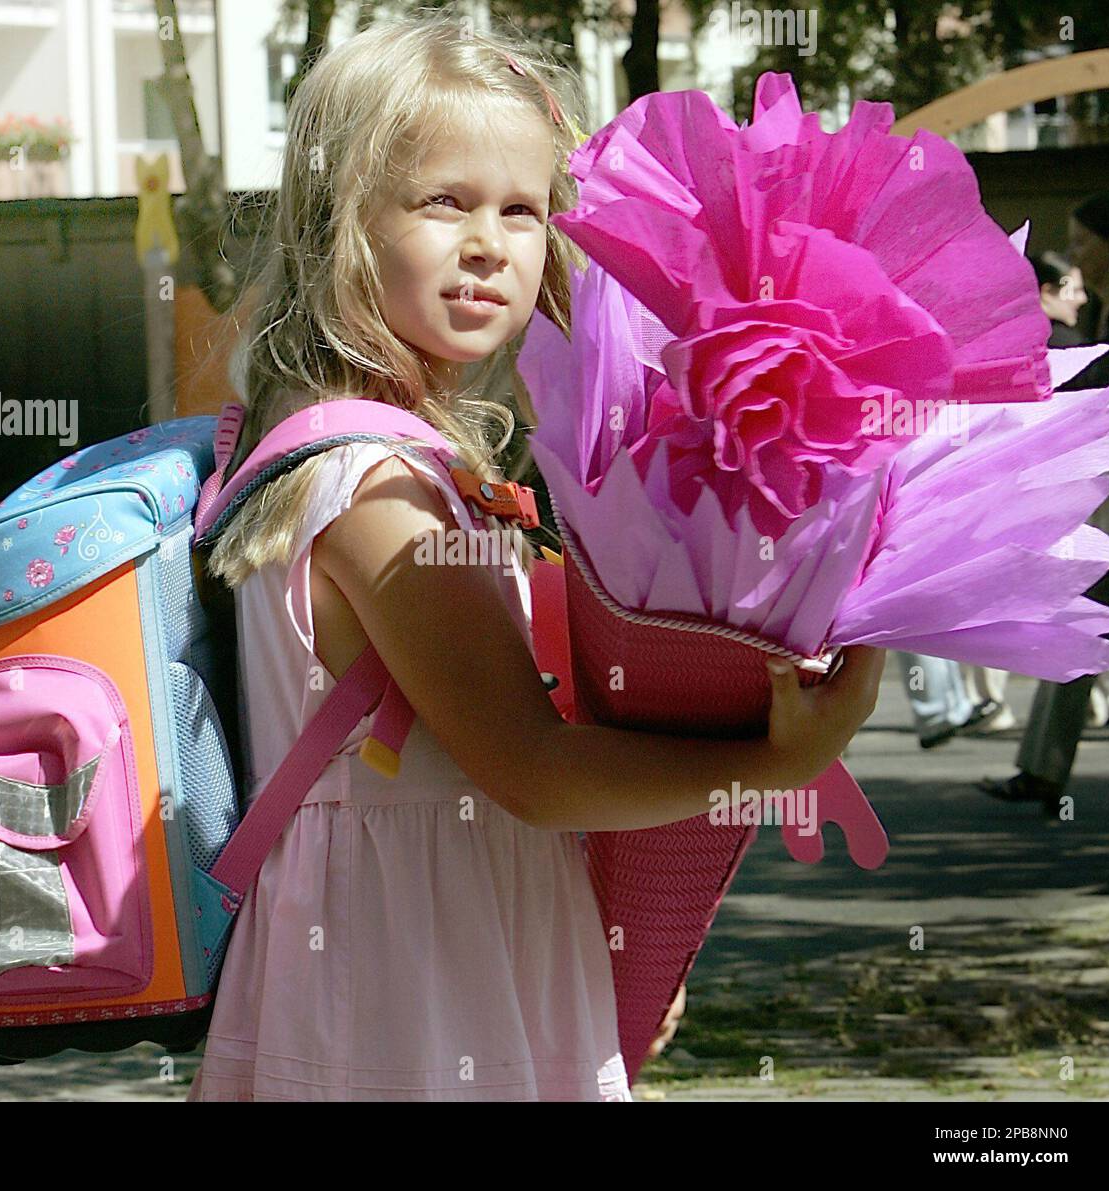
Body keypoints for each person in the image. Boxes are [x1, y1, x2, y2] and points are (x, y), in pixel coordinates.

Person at [184, 14, 884, 1102]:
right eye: (442, 201)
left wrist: (583, 957)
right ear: (339, 222)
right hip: (409, 994)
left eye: (521, 209)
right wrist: (776, 766)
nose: (489, 243)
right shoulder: (379, 490)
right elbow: (531, 773)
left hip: (423, 963)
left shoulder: (349, 455)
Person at [980, 194, 1109, 816]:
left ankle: (1040, 769)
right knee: (1081, 619)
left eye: (1083, 240)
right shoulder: (1101, 311)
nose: (1075, 253)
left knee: (1084, 617)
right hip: (1104, 491)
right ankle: (1040, 769)